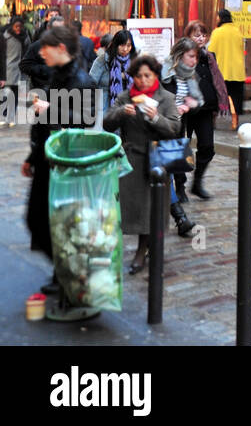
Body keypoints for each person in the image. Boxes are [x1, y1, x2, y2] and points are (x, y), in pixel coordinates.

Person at [21, 23, 94, 306]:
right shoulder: (54, 75)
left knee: (60, 222)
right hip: (47, 159)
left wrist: (53, 109)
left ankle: (73, 275)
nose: (40, 52)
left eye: (45, 48)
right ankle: (66, 272)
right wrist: (32, 156)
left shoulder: (82, 80)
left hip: (68, 163)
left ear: (60, 49)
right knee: (39, 220)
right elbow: (42, 121)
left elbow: (88, 120)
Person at [103, 54, 183, 274]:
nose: (143, 80)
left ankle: (144, 250)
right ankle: (145, 247)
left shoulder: (165, 97)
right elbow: (107, 123)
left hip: (158, 161)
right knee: (136, 210)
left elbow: (175, 128)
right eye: (138, 76)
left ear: (155, 75)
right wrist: (120, 113)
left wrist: (156, 117)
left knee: (153, 208)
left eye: (147, 75)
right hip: (132, 161)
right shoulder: (125, 97)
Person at [166, 26, 231, 202]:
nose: (201, 38)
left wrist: (217, 102)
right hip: (182, 110)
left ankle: (197, 183)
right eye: (197, 35)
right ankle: (179, 186)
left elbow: (216, 81)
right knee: (180, 147)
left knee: (207, 147)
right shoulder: (177, 61)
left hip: (204, 109)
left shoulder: (209, 57)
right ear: (187, 37)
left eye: (204, 34)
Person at [89, 29, 136, 120]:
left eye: (128, 45)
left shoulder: (134, 61)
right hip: (104, 107)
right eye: (122, 45)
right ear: (116, 45)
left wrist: (125, 76)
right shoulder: (103, 60)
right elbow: (91, 83)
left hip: (129, 107)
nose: (125, 49)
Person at [209, 9, 247, 117]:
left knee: (218, 95)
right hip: (237, 71)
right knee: (236, 98)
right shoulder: (238, 31)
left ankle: (214, 119)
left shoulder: (217, 32)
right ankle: (235, 121)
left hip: (221, 70)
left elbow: (211, 50)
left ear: (220, 18)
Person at [2, 15, 28, 127]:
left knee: (15, 95)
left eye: (20, 27)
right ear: (12, 26)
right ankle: (7, 114)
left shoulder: (25, 38)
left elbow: (27, 52)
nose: (18, 29)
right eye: (16, 26)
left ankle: (10, 118)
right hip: (7, 69)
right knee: (7, 93)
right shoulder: (5, 37)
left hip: (19, 70)